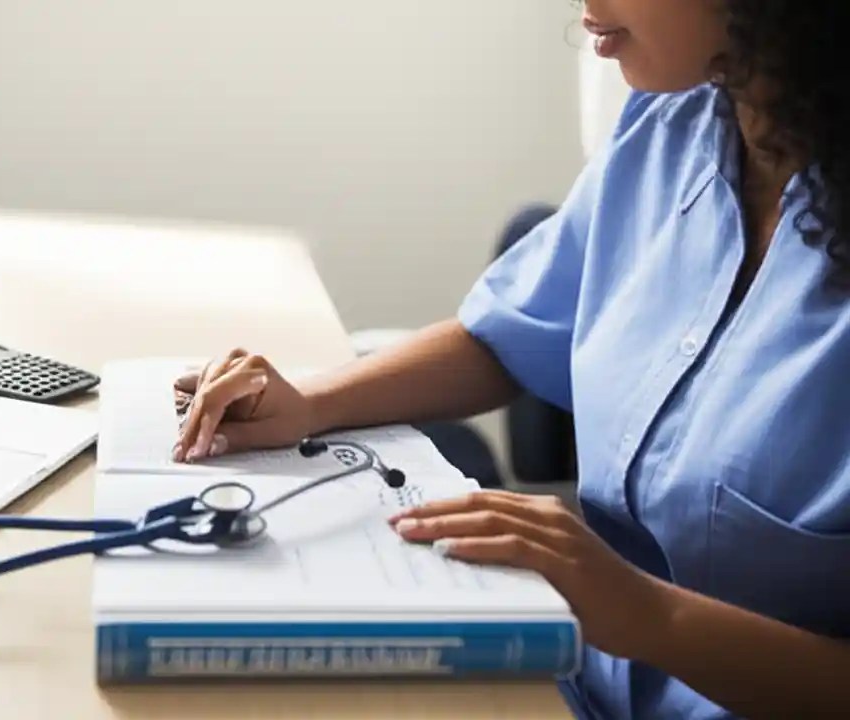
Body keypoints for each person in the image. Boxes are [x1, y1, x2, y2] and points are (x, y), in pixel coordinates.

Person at [171, 2, 849, 718]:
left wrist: (655, 619)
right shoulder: (668, 128)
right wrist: (312, 403)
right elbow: (510, 333)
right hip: (558, 678)